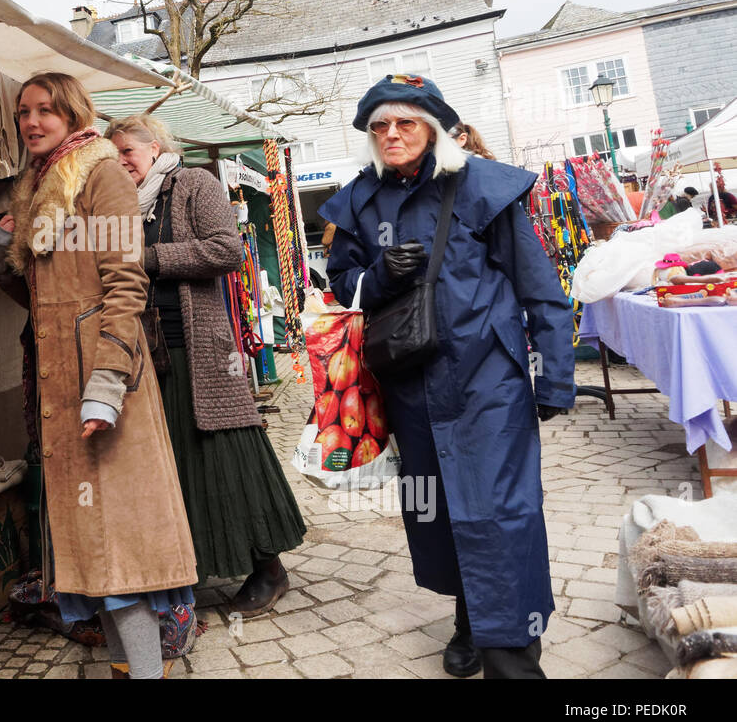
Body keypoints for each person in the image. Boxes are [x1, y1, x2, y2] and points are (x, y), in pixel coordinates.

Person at [319, 75, 574, 680]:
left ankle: (510, 647)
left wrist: (555, 377)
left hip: (490, 379)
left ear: (432, 129)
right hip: (408, 383)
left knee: (501, 506)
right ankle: (472, 616)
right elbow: (340, 286)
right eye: (380, 125)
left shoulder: (484, 185)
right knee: (435, 507)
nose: (391, 134)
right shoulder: (360, 199)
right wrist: (378, 275)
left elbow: (541, 289)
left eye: (405, 122)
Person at [0, 74, 197, 679]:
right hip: (57, 381)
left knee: (119, 547)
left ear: (73, 111)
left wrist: (105, 386)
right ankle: (125, 669)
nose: (31, 121)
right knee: (90, 552)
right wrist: (3, 253)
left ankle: (147, 673)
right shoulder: (36, 186)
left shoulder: (100, 173)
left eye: (45, 110)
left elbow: (125, 286)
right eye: (23, 111)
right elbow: (39, 293)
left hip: (104, 383)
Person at [106, 114, 306, 615]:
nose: (122, 162)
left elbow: (227, 250)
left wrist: (149, 258)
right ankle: (194, 563)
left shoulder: (194, 182)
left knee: (226, 453)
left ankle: (268, 568)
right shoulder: (118, 204)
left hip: (201, 349)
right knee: (175, 464)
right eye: (115, 156)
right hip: (147, 355)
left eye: (128, 151)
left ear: (155, 147)